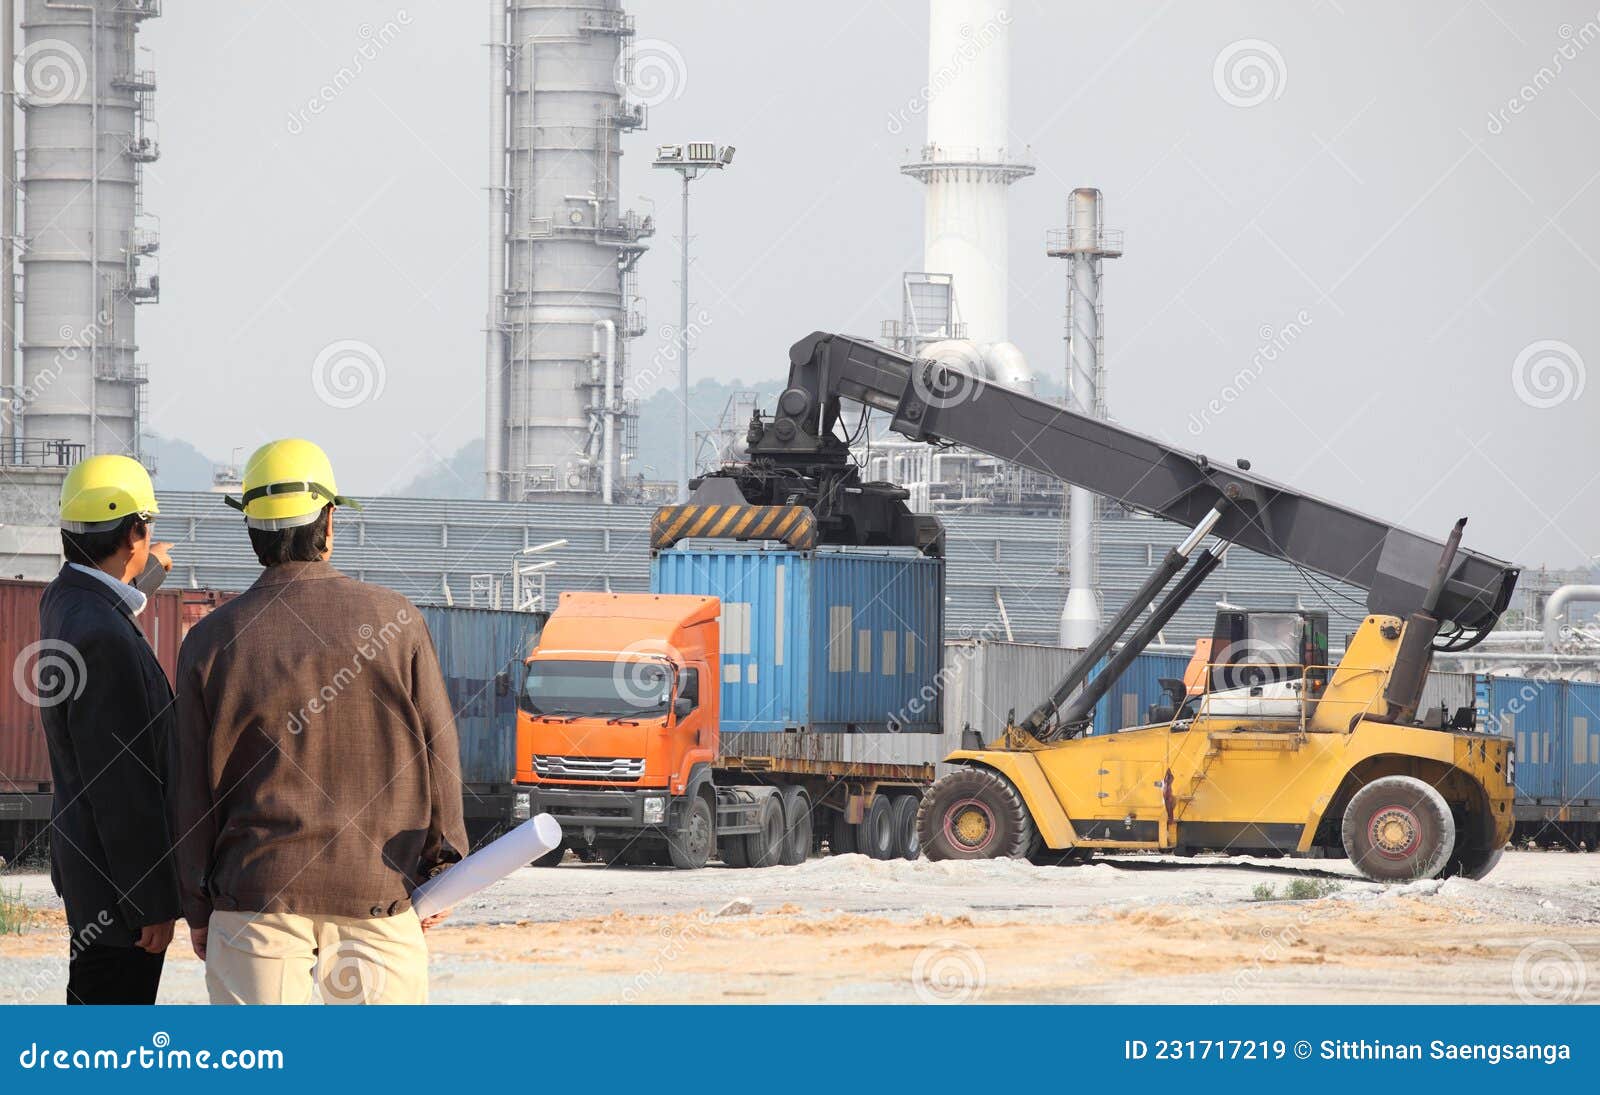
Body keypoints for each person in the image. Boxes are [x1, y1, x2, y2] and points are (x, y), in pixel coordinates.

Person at [172, 438, 468, 1005]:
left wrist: (197, 904)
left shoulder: (210, 642)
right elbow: (440, 756)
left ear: (252, 530)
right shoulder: (396, 621)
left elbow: (190, 793)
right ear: (330, 520)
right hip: (377, 895)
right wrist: (444, 865)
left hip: (254, 897)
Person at [39, 454, 179, 1004]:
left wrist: (151, 571)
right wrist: (149, 900)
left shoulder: (64, 599)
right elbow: (122, 784)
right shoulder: (105, 638)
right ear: (132, 533)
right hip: (120, 895)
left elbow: (110, 598)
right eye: (148, 529)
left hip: (88, 870)